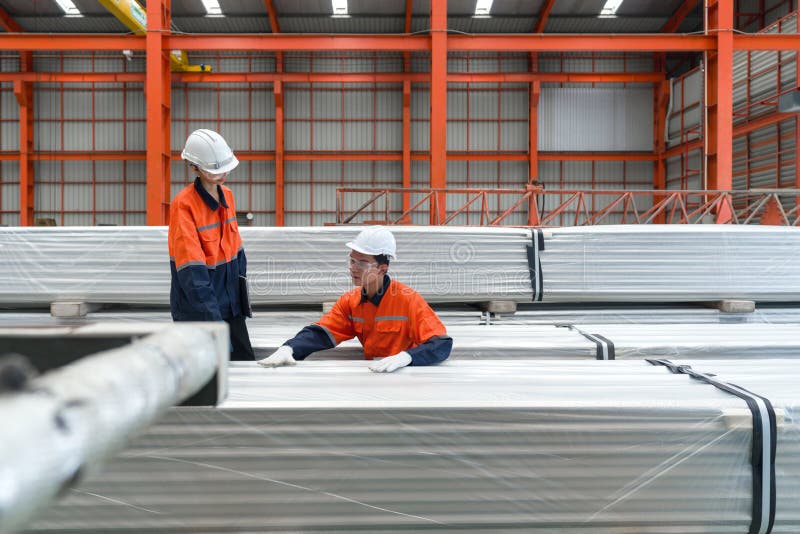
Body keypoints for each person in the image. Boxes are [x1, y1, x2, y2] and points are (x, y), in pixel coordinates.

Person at [257, 227, 452, 373]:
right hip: (374, 375)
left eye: (362, 263)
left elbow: (442, 343)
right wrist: (290, 347)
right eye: (352, 260)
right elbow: (322, 334)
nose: (353, 268)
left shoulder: (407, 300)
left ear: (382, 269)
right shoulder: (351, 302)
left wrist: (407, 357)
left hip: (407, 376)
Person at [168, 128, 255, 361]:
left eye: (225, 168)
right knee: (207, 379)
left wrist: (239, 307)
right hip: (198, 311)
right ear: (194, 167)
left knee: (245, 366)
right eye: (214, 169)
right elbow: (193, 275)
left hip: (230, 306)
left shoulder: (228, 195)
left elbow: (237, 253)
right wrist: (214, 323)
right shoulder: (183, 205)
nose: (222, 174)